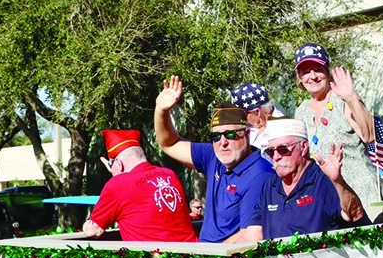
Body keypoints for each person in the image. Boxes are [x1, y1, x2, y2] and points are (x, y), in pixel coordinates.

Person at [154, 76, 276, 243]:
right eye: (216, 136)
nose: (223, 142)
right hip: (207, 253)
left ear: (247, 134)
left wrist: (210, 256)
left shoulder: (259, 174)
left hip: (231, 257)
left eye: (231, 134)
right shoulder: (213, 156)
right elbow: (169, 144)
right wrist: (161, 110)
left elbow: (248, 235)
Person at [240, 119, 366, 241]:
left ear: (304, 147)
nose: (276, 157)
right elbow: (253, 234)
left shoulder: (322, 181)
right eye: (270, 152)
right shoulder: (270, 186)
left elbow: (355, 215)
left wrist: (338, 181)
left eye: (283, 150)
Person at [292, 43, 381, 207]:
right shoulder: (301, 111)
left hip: (362, 194)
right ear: (299, 76)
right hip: (326, 199)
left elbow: (370, 136)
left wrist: (351, 98)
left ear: (327, 71)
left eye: (318, 69)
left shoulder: (344, 100)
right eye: (306, 71)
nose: (313, 76)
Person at [83, 130, 197, 243]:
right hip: (193, 252)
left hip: (154, 254)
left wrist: (116, 176)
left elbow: (93, 230)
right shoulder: (170, 174)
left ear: (119, 163)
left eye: (111, 164)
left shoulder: (118, 184)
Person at [230, 82, 286, 151]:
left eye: (242, 115)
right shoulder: (249, 127)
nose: (241, 119)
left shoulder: (283, 129)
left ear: (257, 112)